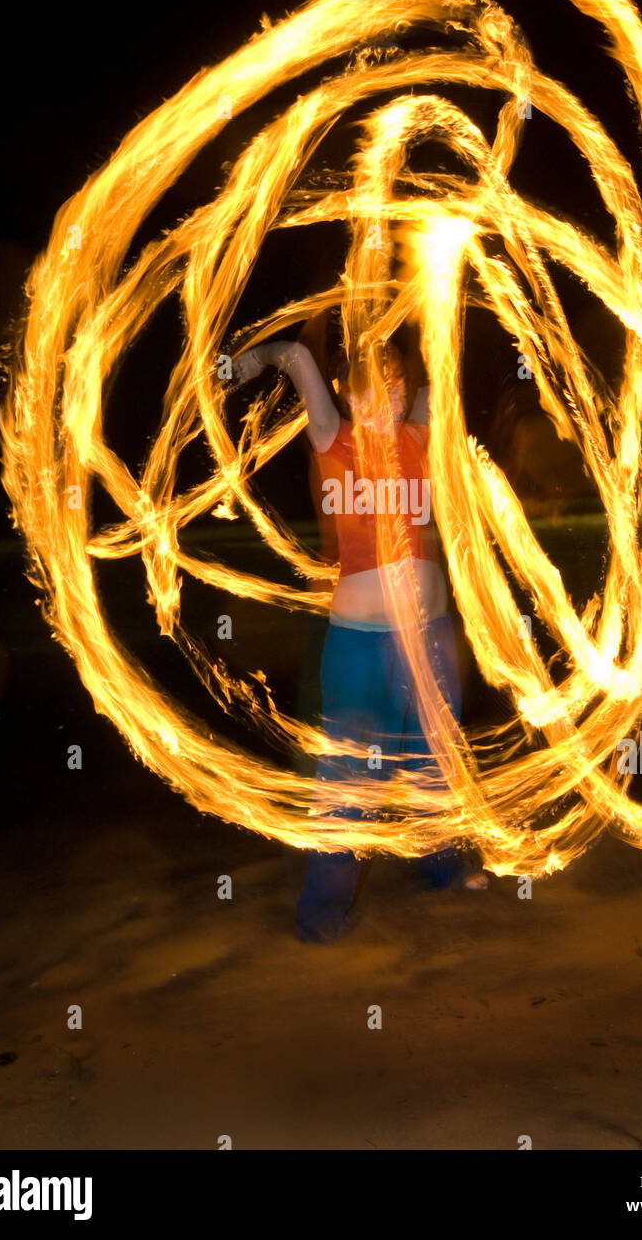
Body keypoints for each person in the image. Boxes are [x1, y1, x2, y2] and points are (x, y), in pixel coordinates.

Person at [232, 335, 488, 943]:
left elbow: (442, 348)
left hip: (430, 639)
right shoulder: (334, 438)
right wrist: (251, 360)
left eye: (397, 385)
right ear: (348, 394)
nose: (391, 397)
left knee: (434, 762)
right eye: (375, 387)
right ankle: (322, 915)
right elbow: (298, 357)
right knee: (349, 781)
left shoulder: (419, 433)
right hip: (361, 647)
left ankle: (441, 869)